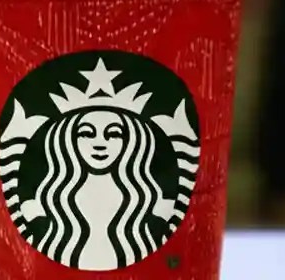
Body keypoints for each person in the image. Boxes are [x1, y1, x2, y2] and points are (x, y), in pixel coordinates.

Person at [18, 109, 175, 270]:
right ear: (68, 139)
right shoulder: (38, 208)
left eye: (113, 134)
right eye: (87, 134)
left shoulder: (155, 207)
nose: (100, 144)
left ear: (130, 141)